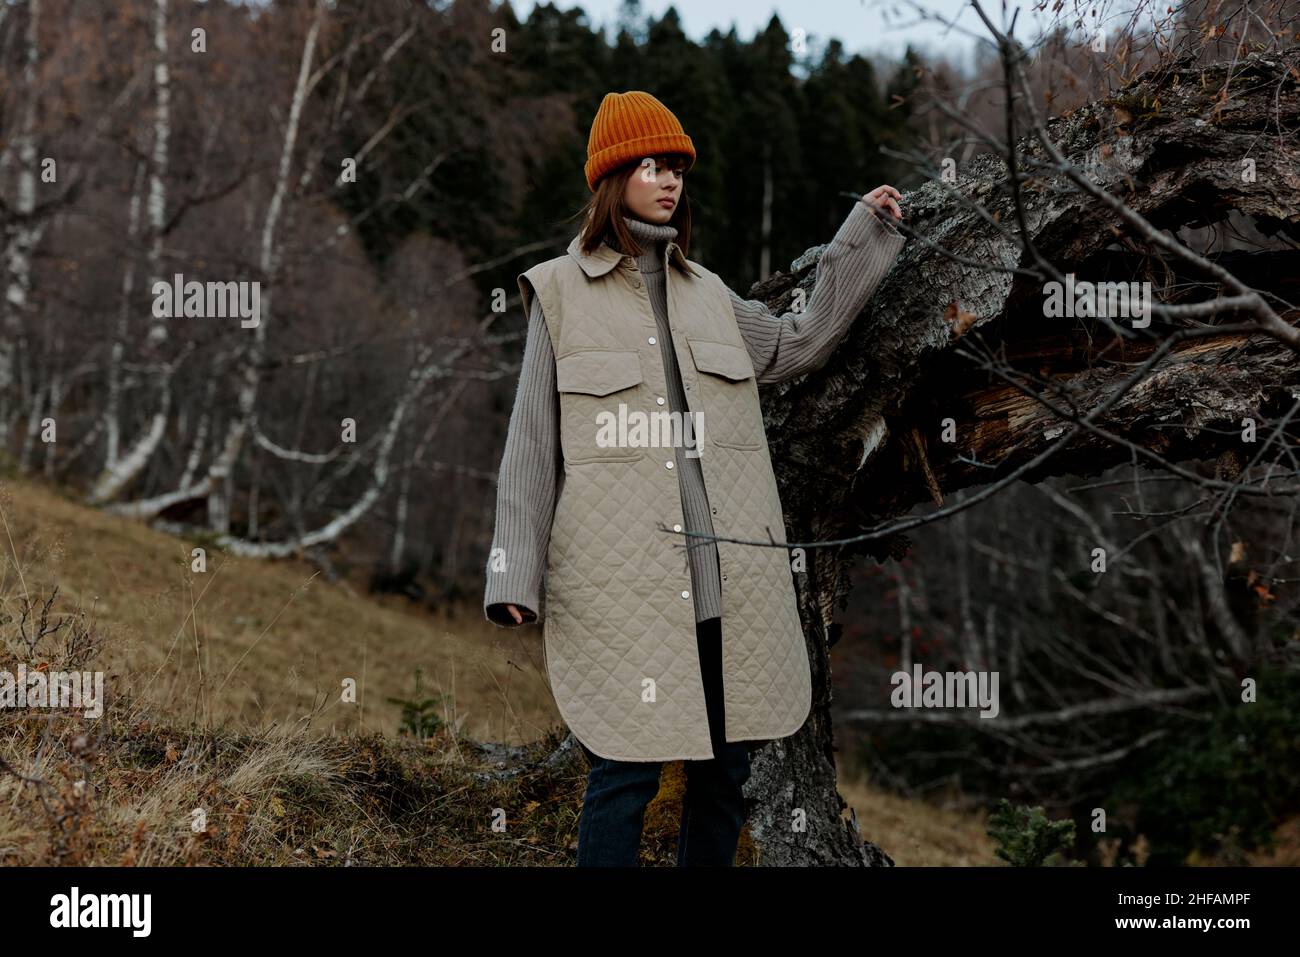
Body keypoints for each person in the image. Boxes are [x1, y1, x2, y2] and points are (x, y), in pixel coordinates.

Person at [484, 90, 905, 866]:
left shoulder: (708, 293)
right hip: (622, 585)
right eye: (650, 165)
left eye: (676, 166)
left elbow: (797, 343)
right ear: (612, 179)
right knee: (625, 772)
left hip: (728, 586)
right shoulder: (559, 294)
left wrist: (862, 236)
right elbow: (532, 443)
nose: (669, 181)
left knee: (724, 771)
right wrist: (514, 568)